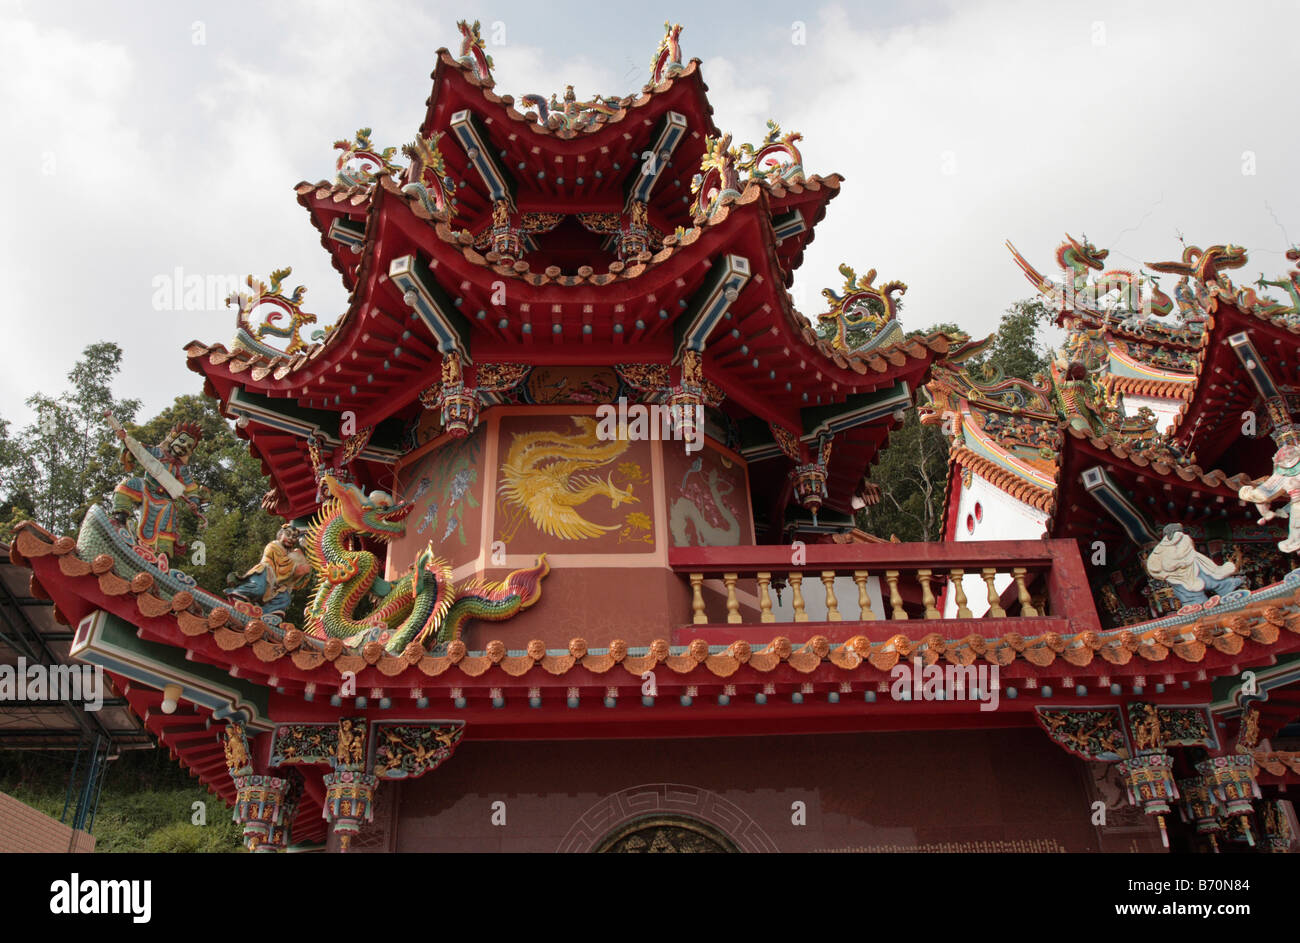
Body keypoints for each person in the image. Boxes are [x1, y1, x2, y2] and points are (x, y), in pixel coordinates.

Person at [111, 421, 207, 557]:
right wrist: (125, 440)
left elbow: (191, 489)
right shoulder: (156, 452)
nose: (184, 445)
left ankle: (161, 556)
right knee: (126, 485)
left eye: (189, 445)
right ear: (173, 438)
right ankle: (119, 521)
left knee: (169, 517)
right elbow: (136, 450)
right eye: (182, 440)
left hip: (165, 501)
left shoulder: (182, 469)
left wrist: (194, 502)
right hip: (146, 488)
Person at [1144, 523, 1243, 607]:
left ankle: (1223, 588)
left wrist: (1172, 565)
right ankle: (1197, 601)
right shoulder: (1179, 539)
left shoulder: (1164, 546)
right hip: (1183, 573)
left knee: (1204, 581)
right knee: (1207, 580)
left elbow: (1154, 565)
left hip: (1190, 568)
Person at [229, 525, 312, 617]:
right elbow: (283, 563)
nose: (290, 539)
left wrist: (303, 562)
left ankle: (267, 612)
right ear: (280, 535)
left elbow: (295, 573)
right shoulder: (273, 546)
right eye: (287, 534)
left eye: (294, 537)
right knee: (258, 588)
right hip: (266, 573)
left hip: (278, 584)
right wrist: (295, 563)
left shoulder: (292, 553)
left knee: (285, 598)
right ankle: (238, 593)